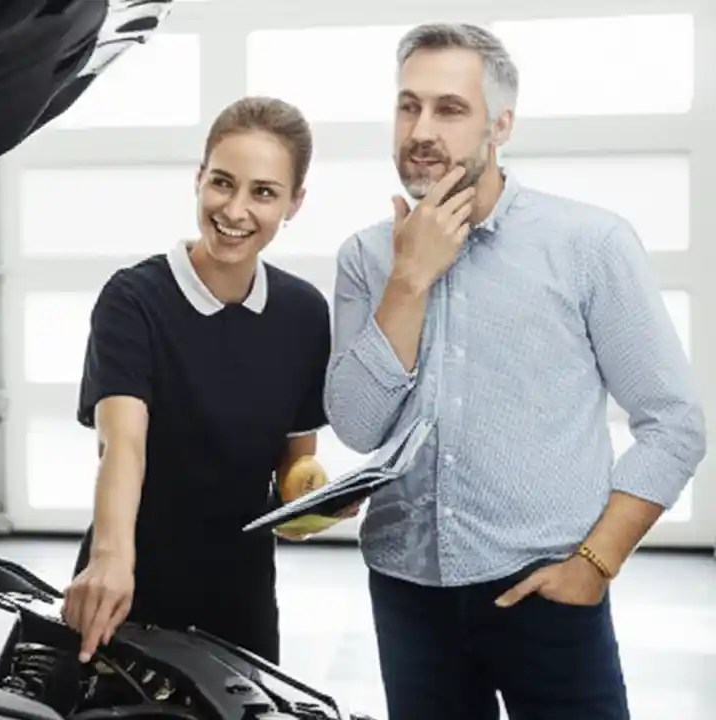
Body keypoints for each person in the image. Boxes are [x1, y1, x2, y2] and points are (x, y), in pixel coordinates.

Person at [325, 22, 707, 720]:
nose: (421, 129)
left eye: (450, 108)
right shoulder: (366, 258)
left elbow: (675, 424)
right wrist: (408, 281)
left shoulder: (590, 245)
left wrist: (596, 564)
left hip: (550, 594)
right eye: (409, 106)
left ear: (501, 123)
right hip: (408, 596)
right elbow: (355, 425)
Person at [59, 96, 343, 666]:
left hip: (243, 599)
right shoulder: (133, 300)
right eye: (222, 182)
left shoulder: (303, 312)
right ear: (198, 179)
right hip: (131, 584)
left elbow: (294, 461)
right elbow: (122, 443)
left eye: (263, 192)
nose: (235, 209)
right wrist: (113, 558)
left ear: (294, 203)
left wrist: (312, 502)